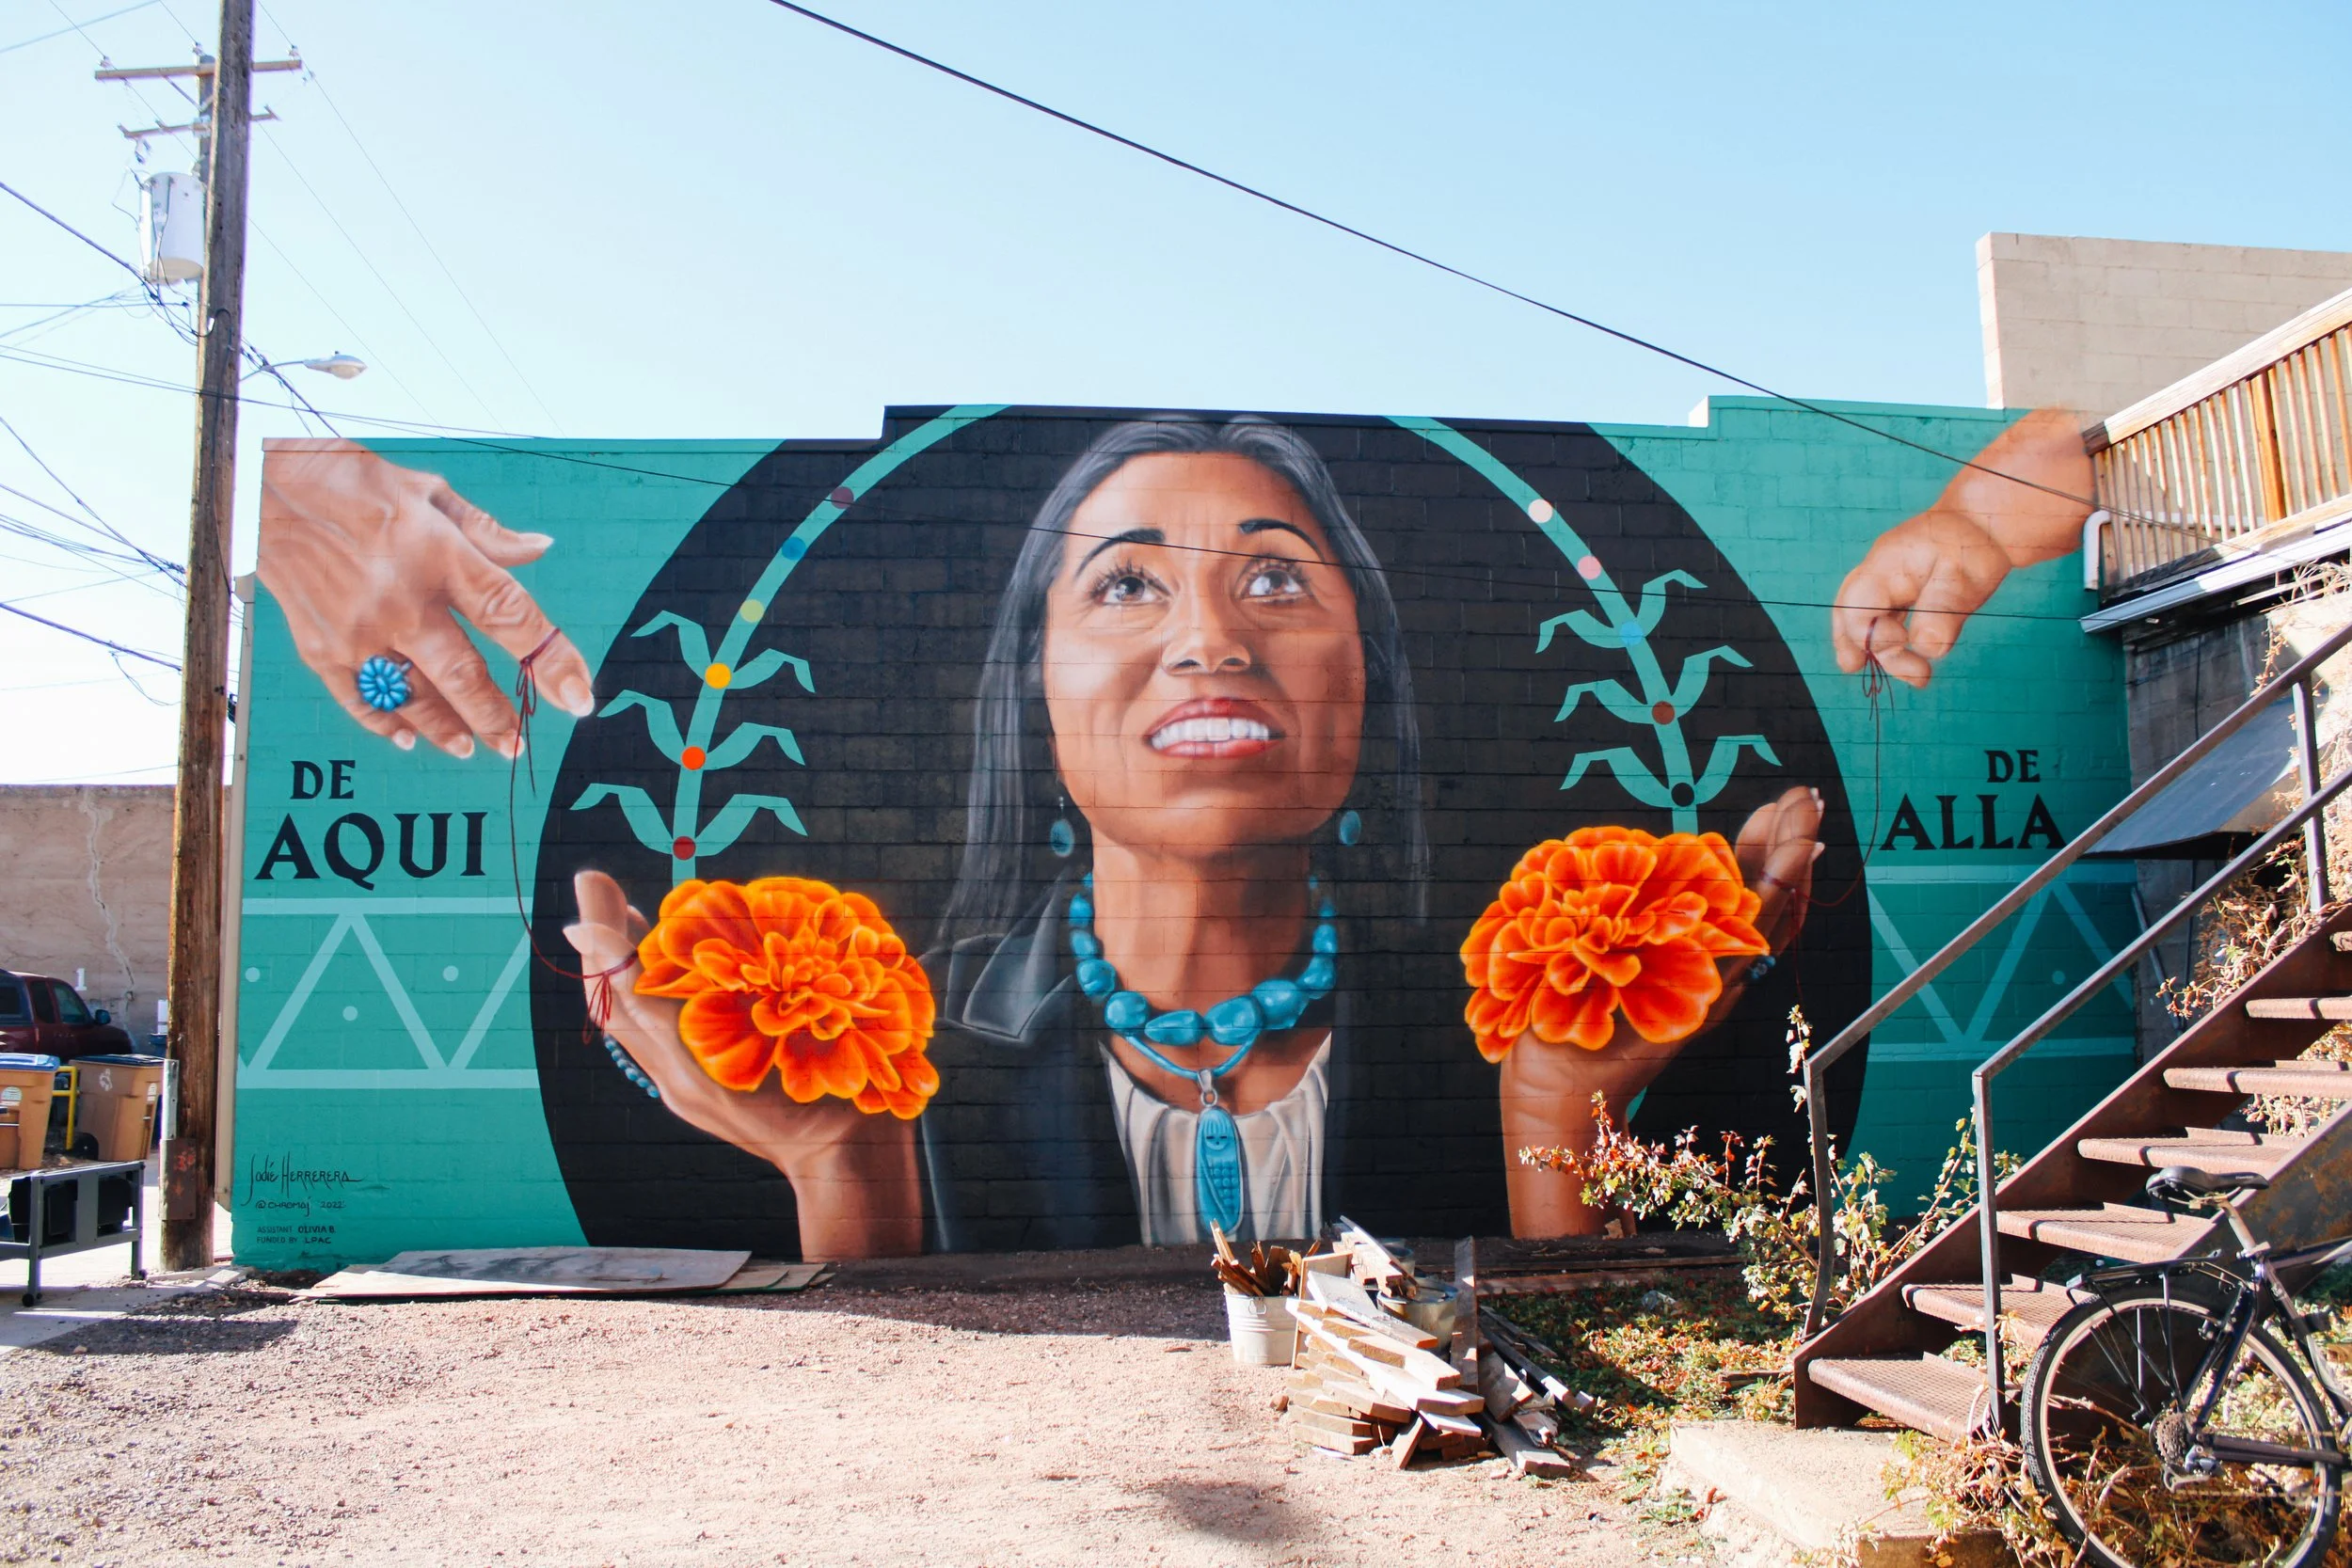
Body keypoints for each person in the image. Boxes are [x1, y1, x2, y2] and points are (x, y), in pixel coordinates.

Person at [564, 417, 1820, 1253]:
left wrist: (1555, 1102)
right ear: (1035, 688)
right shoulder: (895, 1057)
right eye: (1125, 584)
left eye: (1276, 579)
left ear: (1366, 677)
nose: (1212, 642)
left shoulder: (1496, 1028)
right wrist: (841, 1165)